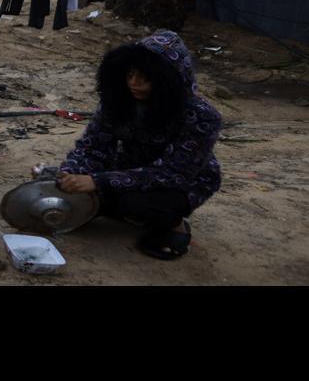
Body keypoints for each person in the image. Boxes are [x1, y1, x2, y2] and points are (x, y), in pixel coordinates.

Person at [53, 30, 222, 260]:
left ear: (168, 81)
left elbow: (173, 173)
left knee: (135, 203)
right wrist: (71, 172)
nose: (134, 83)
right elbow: (93, 146)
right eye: (130, 74)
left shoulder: (201, 117)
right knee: (61, 186)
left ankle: (175, 225)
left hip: (182, 182)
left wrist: (98, 181)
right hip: (127, 167)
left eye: (145, 77)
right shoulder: (119, 101)